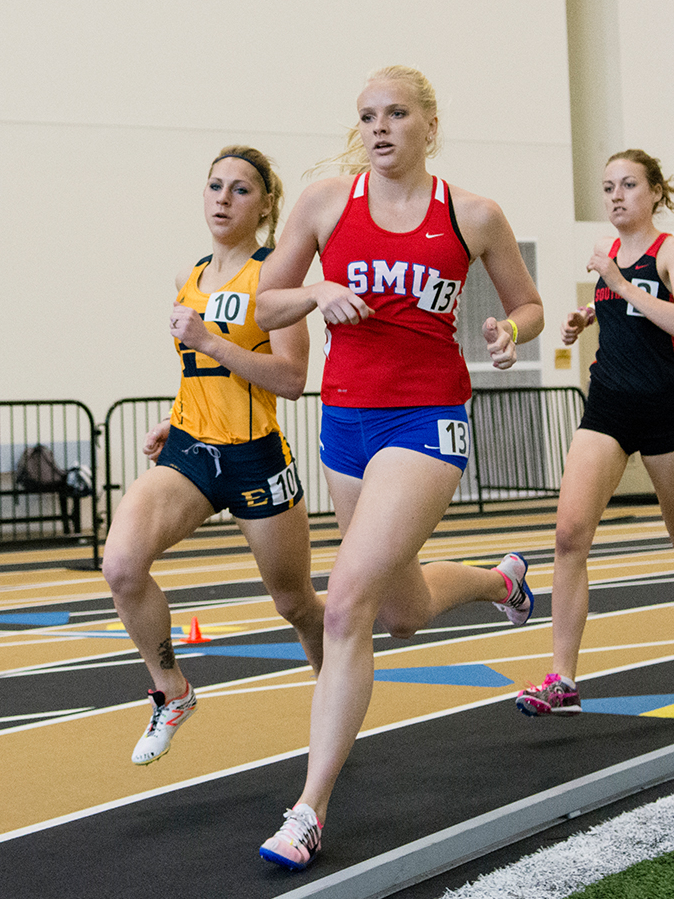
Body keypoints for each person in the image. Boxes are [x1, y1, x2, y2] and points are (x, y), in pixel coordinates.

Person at [251, 65, 544, 870]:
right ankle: (501, 582)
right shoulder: (323, 204)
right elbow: (260, 303)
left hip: (428, 419)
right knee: (401, 611)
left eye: (396, 114)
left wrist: (510, 334)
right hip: (345, 420)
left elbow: (528, 304)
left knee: (344, 602)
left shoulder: (472, 214)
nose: (380, 128)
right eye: (367, 116)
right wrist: (316, 293)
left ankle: (308, 810)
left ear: (427, 124)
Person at [515, 149, 674, 719]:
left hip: (663, 411)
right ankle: (564, 680)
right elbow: (627, 315)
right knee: (569, 535)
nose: (616, 196)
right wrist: (590, 315)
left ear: (654, 191)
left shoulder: (672, 249)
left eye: (628, 185)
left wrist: (620, 287)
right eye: (608, 188)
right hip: (607, 405)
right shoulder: (610, 256)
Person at [101, 145, 325, 767]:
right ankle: (171, 691)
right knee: (121, 564)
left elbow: (291, 378)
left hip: (256, 459)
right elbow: (197, 372)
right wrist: (170, 419)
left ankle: (332, 690)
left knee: (296, 603)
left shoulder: (274, 279)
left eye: (240, 190)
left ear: (266, 204)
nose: (223, 199)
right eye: (215, 186)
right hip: (191, 452)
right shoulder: (190, 276)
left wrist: (208, 340)